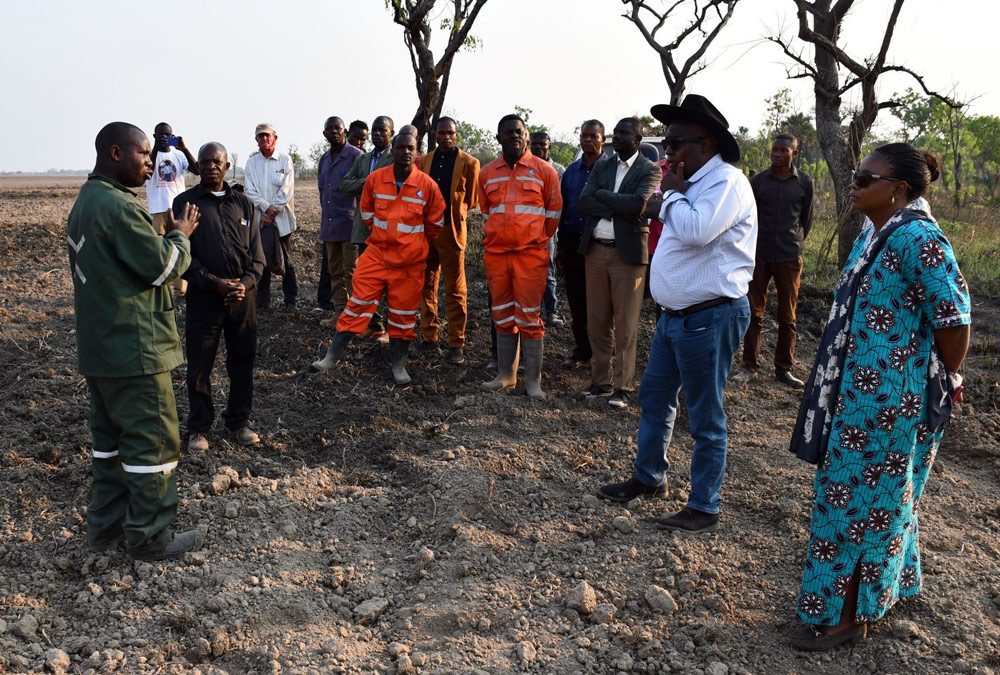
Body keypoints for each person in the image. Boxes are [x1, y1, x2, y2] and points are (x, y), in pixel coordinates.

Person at [789, 144, 970, 650]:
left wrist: (937, 380)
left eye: (865, 177)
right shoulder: (876, 232)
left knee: (857, 507)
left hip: (889, 405)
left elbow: (955, 321)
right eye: (855, 174)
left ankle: (848, 617)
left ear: (898, 190)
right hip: (859, 400)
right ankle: (888, 591)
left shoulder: (920, 238)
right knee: (885, 501)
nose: (854, 182)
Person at [597, 95, 755, 534]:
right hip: (675, 317)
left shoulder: (726, 183)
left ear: (705, 144)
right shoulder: (689, 186)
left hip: (710, 316)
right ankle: (649, 477)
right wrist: (673, 197)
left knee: (705, 416)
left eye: (675, 145)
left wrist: (667, 200)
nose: (667, 153)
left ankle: (705, 504)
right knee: (654, 399)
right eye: (667, 145)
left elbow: (698, 230)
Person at [67, 121, 203, 561]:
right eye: (143, 154)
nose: (151, 163)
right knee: (153, 446)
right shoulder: (118, 207)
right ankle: (149, 538)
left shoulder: (87, 201)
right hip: (136, 351)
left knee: (109, 447)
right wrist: (180, 234)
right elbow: (165, 267)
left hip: (102, 350)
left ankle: (105, 530)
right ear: (114, 154)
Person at [310, 133, 445, 384]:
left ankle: (399, 366)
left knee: (403, 317)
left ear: (417, 153)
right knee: (356, 306)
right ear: (392, 150)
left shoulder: (428, 186)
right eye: (401, 147)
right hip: (377, 257)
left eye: (411, 148)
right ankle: (330, 358)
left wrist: (411, 245)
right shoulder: (375, 179)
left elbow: (434, 225)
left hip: (409, 264)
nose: (406, 152)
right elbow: (368, 215)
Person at [173, 142, 265, 453]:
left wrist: (244, 284)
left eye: (217, 161)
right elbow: (183, 258)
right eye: (205, 162)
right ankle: (198, 429)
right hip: (204, 298)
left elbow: (258, 258)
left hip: (243, 299)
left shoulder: (244, 204)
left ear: (227, 167)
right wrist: (215, 284)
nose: (211, 166)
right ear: (197, 167)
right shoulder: (186, 204)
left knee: (242, 362)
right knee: (200, 365)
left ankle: (238, 423)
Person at [576, 117, 660, 409]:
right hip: (596, 250)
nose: (618, 137)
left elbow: (639, 205)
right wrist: (618, 205)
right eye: (616, 132)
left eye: (625, 133)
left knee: (626, 325)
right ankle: (599, 382)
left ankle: (622, 388)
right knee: (597, 322)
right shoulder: (603, 165)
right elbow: (584, 202)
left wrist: (606, 197)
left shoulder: (649, 170)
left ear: (638, 139)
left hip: (629, 257)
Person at [479, 114, 563, 400]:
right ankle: (506, 376)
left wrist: (534, 239)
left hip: (531, 256)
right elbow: (487, 212)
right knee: (502, 314)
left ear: (526, 137)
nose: (514, 136)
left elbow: (553, 214)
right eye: (508, 132)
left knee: (530, 317)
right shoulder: (487, 172)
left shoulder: (544, 171)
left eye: (519, 131)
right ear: (498, 137)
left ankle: (533, 383)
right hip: (497, 256)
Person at [734, 133, 814, 388]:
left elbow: (807, 219)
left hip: (789, 257)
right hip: (758, 256)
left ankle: (783, 370)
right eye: (774, 150)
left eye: (783, 150)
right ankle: (749, 366)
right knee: (753, 313)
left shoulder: (804, 182)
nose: (777, 154)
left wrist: (795, 243)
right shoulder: (758, 181)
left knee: (787, 317)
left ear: (794, 153)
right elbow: (749, 217)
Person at [418, 117, 480, 365]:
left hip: (452, 231)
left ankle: (457, 342)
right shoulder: (424, 161)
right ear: (435, 134)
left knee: (455, 289)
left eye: (450, 133)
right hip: (427, 232)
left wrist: (456, 213)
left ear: (456, 135)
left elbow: (473, 200)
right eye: (441, 133)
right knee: (427, 284)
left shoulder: (469, 163)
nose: (446, 137)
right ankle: (429, 335)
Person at [557, 120, 606, 371]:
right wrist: (561, 247)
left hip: (600, 244)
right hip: (574, 243)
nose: (588, 140)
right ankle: (582, 350)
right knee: (576, 301)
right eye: (584, 135)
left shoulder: (609, 170)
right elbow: (565, 209)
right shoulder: (572, 171)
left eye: (593, 136)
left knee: (601, 303)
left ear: (603, 140)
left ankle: (603, 353)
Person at [340, 116, 395, 339]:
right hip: (364, 228)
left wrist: (372, 183)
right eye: (375, 130)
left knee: (390, 280)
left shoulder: (395, 158)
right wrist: (365, 183)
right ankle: (375, 325)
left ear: (391, 133)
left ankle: (392, 329)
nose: (377, 134)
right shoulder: (364, 160)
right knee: (368, 279)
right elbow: (344, 184)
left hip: (387, 229)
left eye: (383, 130)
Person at [245, 123, 297, 311]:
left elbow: (286, 190)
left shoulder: (285, 160)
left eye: (268, 136)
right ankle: (262, 302)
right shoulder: (252, 163)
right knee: (261, 259)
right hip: (260, 220)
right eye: (261, 136)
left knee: (286, 260)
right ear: (256, 140)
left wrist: (272, 212)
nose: (264, 139)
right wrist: (266, 210)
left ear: (275, 138)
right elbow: (249, 191)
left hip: (281, 221)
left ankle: (291, 300)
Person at [317, 116, 364, 326]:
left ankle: (357, 318)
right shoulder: (324, 159)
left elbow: (365, 189)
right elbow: (322, 190)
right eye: (330, 129)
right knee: (334, 272)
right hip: (329, 225)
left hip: (350, 226)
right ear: (325, 134)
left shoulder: (356, 156)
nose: (334, 131)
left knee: (351, 273)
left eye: (338, 128)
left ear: (344, 131)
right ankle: (340, 314)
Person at [146, 122, 199, 294]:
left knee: (181, 247)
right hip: (158, 210)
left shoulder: (179, 155)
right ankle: (161, 287)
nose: (164, 138)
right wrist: (155, 148)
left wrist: (184, 148)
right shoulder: (149, 156)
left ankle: (180, 289)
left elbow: (197, 170)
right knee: (160, 249)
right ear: (154, 137)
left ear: (172, 136)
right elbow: (150, 169)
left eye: (167, 135)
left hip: (178, 209)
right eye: (160, 135)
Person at [530, 130, 567, 327]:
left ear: (549, 147)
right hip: (526, 231)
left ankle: (551, 311)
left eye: (542, 145)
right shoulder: (524, 168)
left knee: (548, 271)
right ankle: (532, 310)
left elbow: (559, 203)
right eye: (534, 144)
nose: (538, 148)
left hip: (548, 230)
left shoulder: (558, 171)